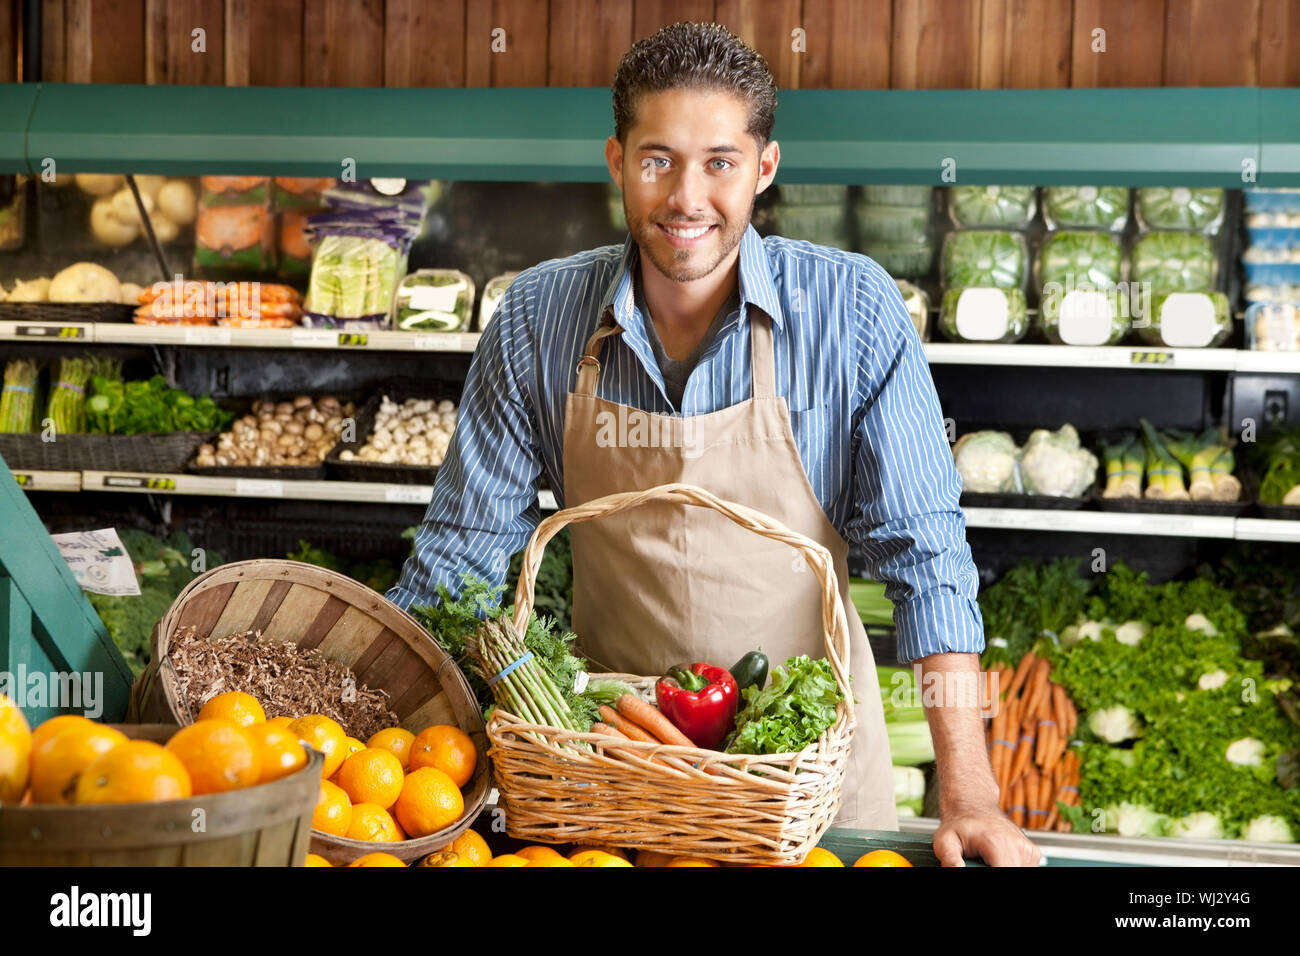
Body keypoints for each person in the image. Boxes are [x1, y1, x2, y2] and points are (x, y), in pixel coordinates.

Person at [389, 21, 1040, 866]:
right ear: (617, 160)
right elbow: (461, 560)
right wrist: (368, 726)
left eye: (720, 162)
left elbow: (931, 565)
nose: (687, 197)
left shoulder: (852, 314)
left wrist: (970, 793)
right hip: (614, 771)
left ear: (764, 168)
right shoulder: (537, 321)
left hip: (803, 781)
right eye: (658, 159)